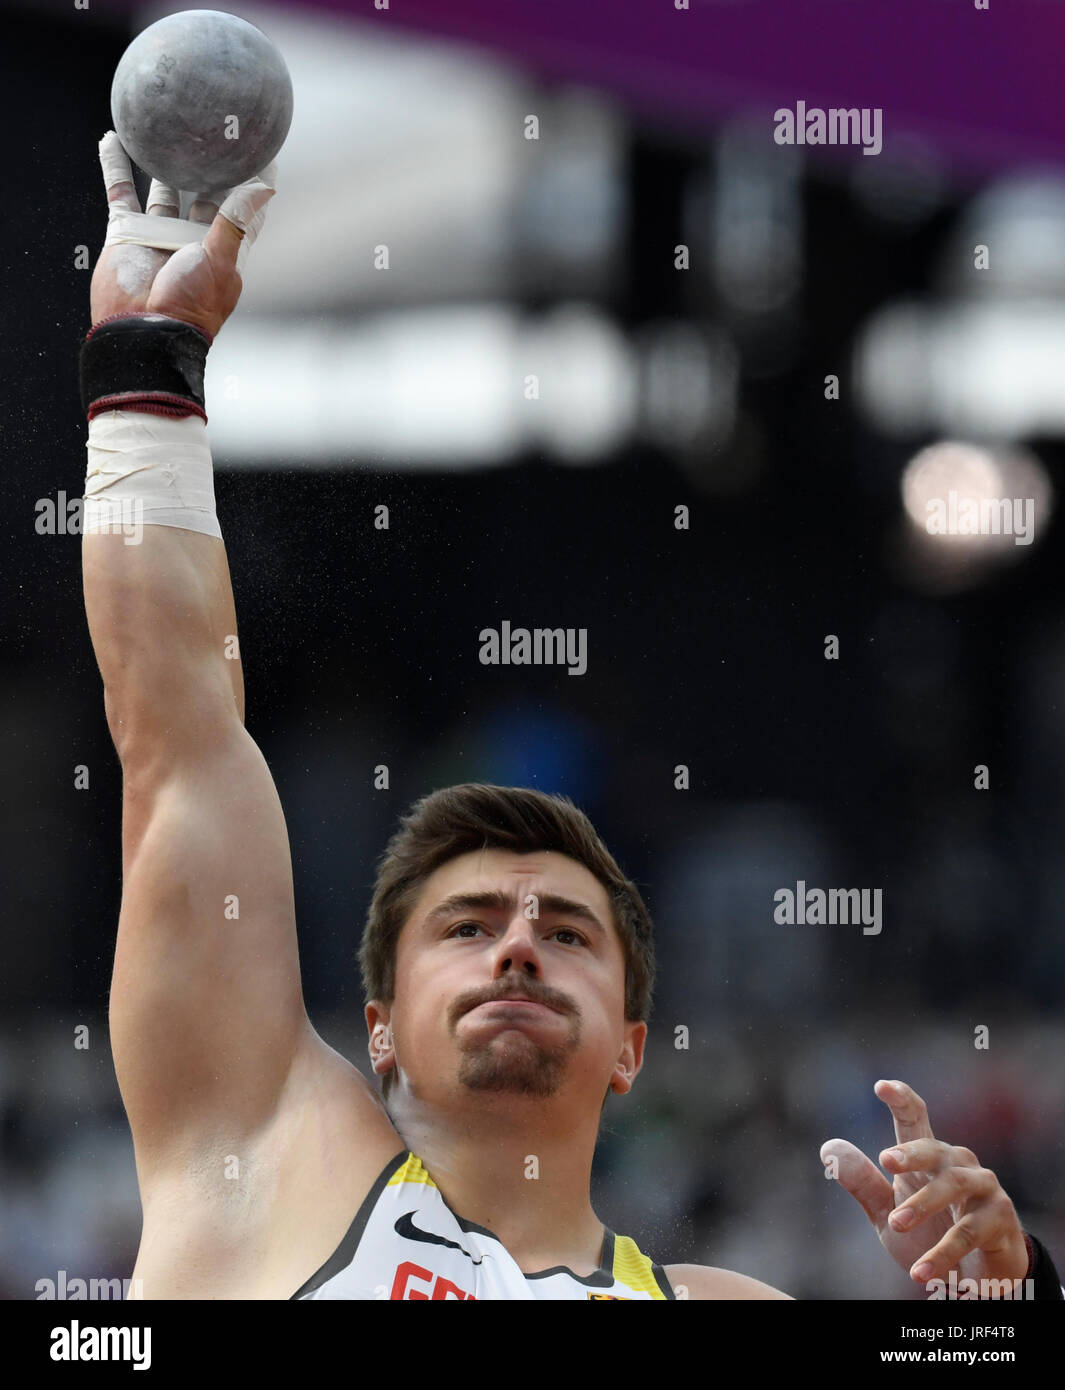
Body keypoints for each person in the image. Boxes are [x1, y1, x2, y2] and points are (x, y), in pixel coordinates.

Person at [79, 131, 1062, 1301]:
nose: (518, 947)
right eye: (466, 925)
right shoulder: (262, 1156)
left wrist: (1004, 1310)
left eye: (570, 936)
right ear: (379, 1028)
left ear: (632, 1047)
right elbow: (176, 733)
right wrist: (144, 375)